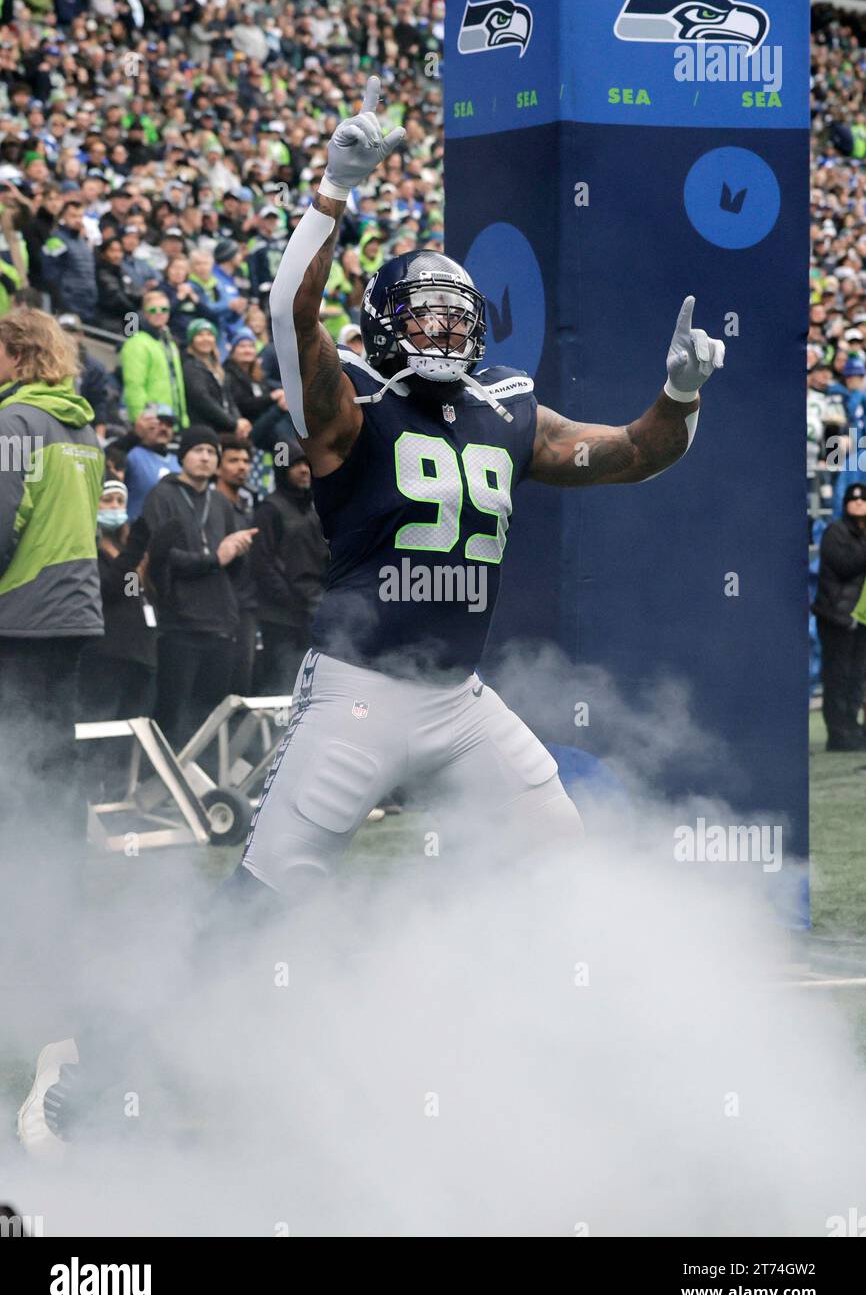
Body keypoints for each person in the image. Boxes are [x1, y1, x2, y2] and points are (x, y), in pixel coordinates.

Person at [227, 77, 725, 905]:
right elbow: (291, 316)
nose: (444, 331)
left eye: (457, 318)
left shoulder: (504, 403)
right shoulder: (350, 404)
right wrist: (334, 192)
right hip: (359, 690)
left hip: (457, 695)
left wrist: (678, 396)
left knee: (559, 856)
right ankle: (159, 1032)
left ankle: (520, 1017)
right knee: (279, 886)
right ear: (384, 323)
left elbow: (636, 454)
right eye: (423, 317)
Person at [0, 308, 103, 871]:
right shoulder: (83, 425)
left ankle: (21, 882)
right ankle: (61, 880)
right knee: (57, 754)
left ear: (18, 354)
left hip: (20, 613)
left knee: (16, 756)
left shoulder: (12, 421)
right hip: (74, 609)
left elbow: (3, 520)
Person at [142, 426, 257, 749]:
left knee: (210, 715)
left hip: (219, 623)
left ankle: (204, 786)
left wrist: (237, 553)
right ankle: (162, 784)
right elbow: (160, 556)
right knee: (172, 712)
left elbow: (230, 566)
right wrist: (214, 559)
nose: (206, 457)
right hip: (179, 625)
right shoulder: (162, 495)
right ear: (183, 456)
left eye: (211, 452)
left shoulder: (220, 502)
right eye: (198, 451)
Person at [78, 479, 157, 793]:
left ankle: (118, 799)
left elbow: (130, 593)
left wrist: (152, 550)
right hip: (106, 656)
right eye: (107, 501)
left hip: (138, 655)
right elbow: (109, 589)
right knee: (100, 732)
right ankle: (88, 800)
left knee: (129, 737)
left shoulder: (128, 552)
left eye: (118, 502)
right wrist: (134, 550)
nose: (114, 508)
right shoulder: (87, 548)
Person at [251, 440, 329, 693]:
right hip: (280, 617)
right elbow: (262, 562)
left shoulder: (316, 508)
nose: (304, 470)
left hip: (312, 613)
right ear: (282, 470)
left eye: (307, 463)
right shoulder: (270, 509)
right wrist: (290, 599)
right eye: (296, 464)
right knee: (281, 685)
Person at [813, 482, 866, 750]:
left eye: (863, 498)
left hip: (860, 619)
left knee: (856, 676)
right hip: (837, 617)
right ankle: (838, 733)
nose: (858, 502)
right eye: (853, 498)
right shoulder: (836, 531)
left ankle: (852, 726)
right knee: (837, 676)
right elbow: (845, 565)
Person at [215, 439, 259, 696]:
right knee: (217, 685)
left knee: (242, 683)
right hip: (216, 607)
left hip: (246, 606)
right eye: (233, 460)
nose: (241, 467)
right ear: (218, 468)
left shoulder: (247, 510)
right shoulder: (208, 507)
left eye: (245, 461)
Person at [120, 288, 188, 428]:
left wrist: (183, 420)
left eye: (164, 309)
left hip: (170, 422)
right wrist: (140, 418)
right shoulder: (136, 343)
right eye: (153, 310)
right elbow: (134, 385)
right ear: (144, 313)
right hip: (151, 423)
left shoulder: (170, 343)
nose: (159, 313)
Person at [182, 318, 250, 439]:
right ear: (192, 340)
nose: (205, 339)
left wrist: (239, 421)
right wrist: (233, 424)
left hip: (223, 428)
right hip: (204, 431)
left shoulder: (218, 368)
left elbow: (229, 399)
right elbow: (202, 400)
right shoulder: (190, 367)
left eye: (209, 334)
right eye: (200, 335)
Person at [40, 199, 98, 323]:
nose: (78, 220)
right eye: (73, 216)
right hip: (66, 305)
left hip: (86, 305)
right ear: (63, 217)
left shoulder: (82, 242)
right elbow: (50, 276)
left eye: (80, 216)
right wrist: (61, 304)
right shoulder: (55, 240)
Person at [123, 407, 181, 520]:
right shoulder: (132, 455)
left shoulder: (178, 461)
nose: (164, 428)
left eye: (169, 425)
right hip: (137, 529)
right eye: (158, 423)